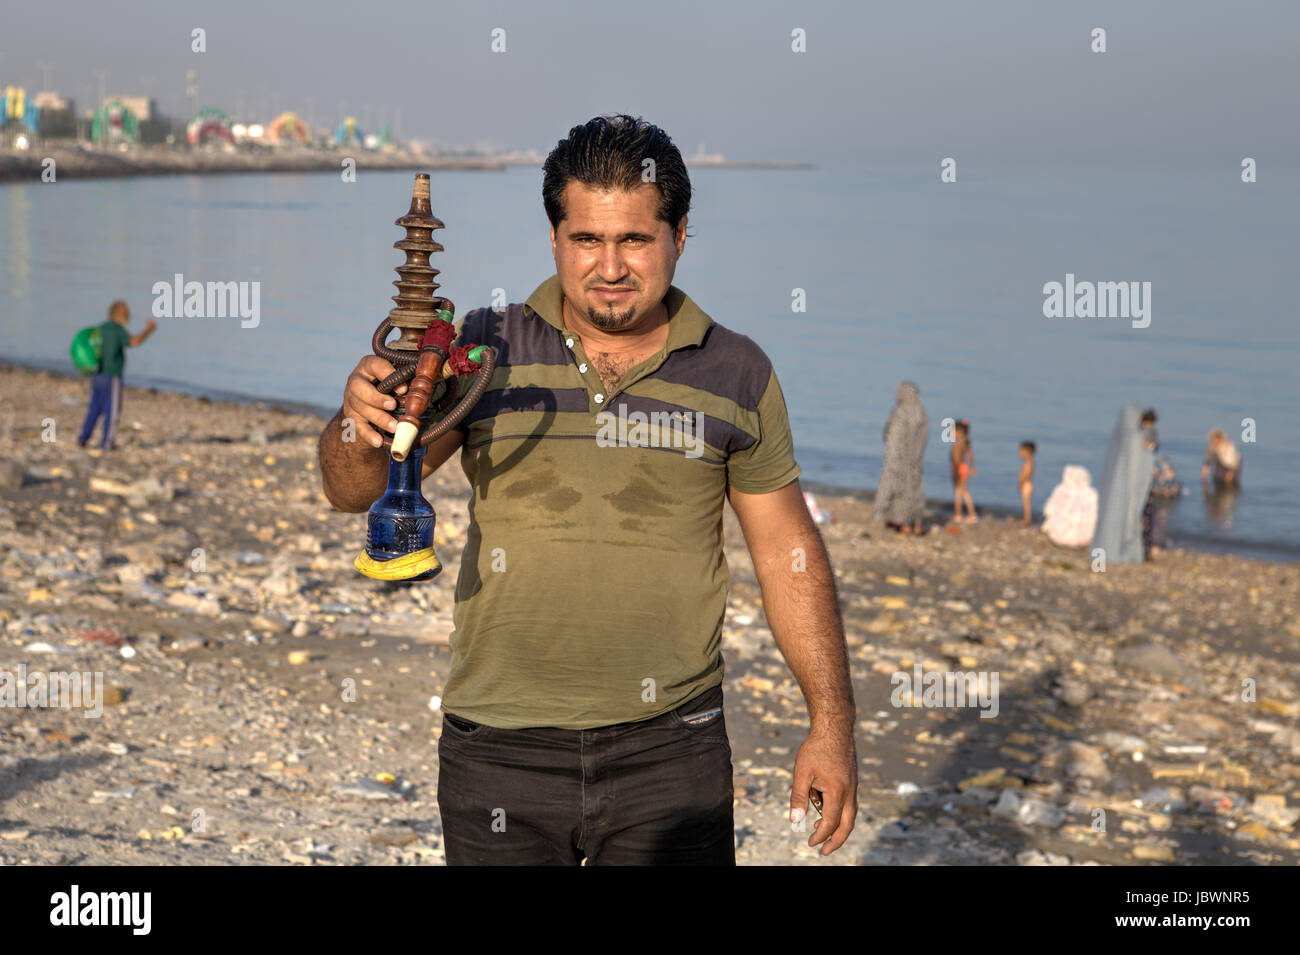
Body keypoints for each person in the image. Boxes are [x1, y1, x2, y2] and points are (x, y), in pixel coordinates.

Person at [317, 115, 857, 865]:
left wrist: (831, 726)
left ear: (679, 237)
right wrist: (358, 421)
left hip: (673, 752)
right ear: (554, 239)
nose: (609, 266)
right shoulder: (480, 350)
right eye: (586, 239)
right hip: (497, 749)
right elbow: (357, 489)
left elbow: (787, 551)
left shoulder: (737, 370)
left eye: (634, 239)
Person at [76, 300, 156, 450]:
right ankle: (107, 443)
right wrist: (149, 330)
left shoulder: (100, 328)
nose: (129, 316)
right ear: (118, 314)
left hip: (96, 375)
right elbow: (134, 342)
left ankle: (83, 438)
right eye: (126, 313)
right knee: (112, 411)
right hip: (111, 376)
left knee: (94, 408)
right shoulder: (117, 330)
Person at [1092, 403, 1154, 563]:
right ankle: (1117, 554)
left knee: (1109, 521)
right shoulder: (1136, 439)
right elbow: (1142, 467)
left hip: (1113, 491)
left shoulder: (1121, 439)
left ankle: (1100, 559)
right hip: (1129, 491)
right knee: (1125, 522)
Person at [872, 381, 929, 534]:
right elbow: (922, 442)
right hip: (915, 461)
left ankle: (901, 522)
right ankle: (916, 524)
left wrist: (892, 458)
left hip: (898, 459)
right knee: (915, 487)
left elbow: (892, 438)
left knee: (897, 487)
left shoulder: (900, 413)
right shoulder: (922, 415)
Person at [1041, 465, 1098, 547]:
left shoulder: (1061, 489)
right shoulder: (1091, 493)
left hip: (1058, 535)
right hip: (1085, 537)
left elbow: (1049, 509)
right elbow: (1094, 514)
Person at [950, 418, 976, 522]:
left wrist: (968, 468)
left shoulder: (959, 442)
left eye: (953, 431)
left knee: (958, 492)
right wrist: (971, 467)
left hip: (959, 468)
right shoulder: (963, 441)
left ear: (959, 432)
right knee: (963, 492)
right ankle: (969, 514)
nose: (951, 433)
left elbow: (963, 457)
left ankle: (959, 514)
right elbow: (970, 456)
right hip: (960, 467)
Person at [1018, 441, 1036, 526]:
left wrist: (1021, 483)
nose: (1020, 453)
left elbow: (1027, 475)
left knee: (1026, 503)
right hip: (1027, 484)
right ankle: (1026, 519)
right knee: (1025, 502)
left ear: (1027, 452)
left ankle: (1027, 520)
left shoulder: (1028, 462)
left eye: (1021, 451)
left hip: (1027, 484)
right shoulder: (1029, 461)